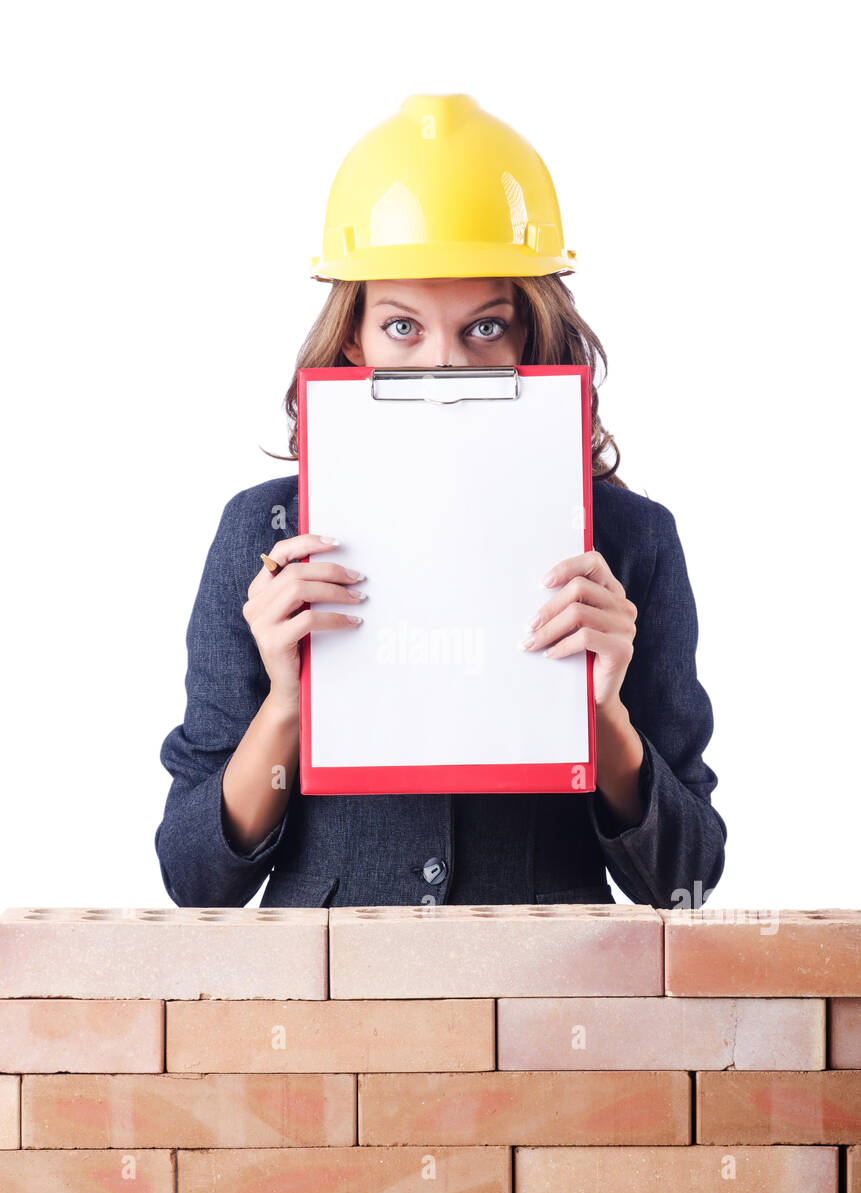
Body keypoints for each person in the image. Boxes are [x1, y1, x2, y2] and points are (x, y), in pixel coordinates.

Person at [154, 93, 727, 910]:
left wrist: (601, 715)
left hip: (549, 1005)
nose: (446, 365)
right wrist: (287, 704)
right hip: (326, 1015)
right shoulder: (265, 533)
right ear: (351, 336)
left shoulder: (631, 542)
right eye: (401, 327)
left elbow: (685, 881)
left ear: (531, 333)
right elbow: (196, 879)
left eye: (485, 328)